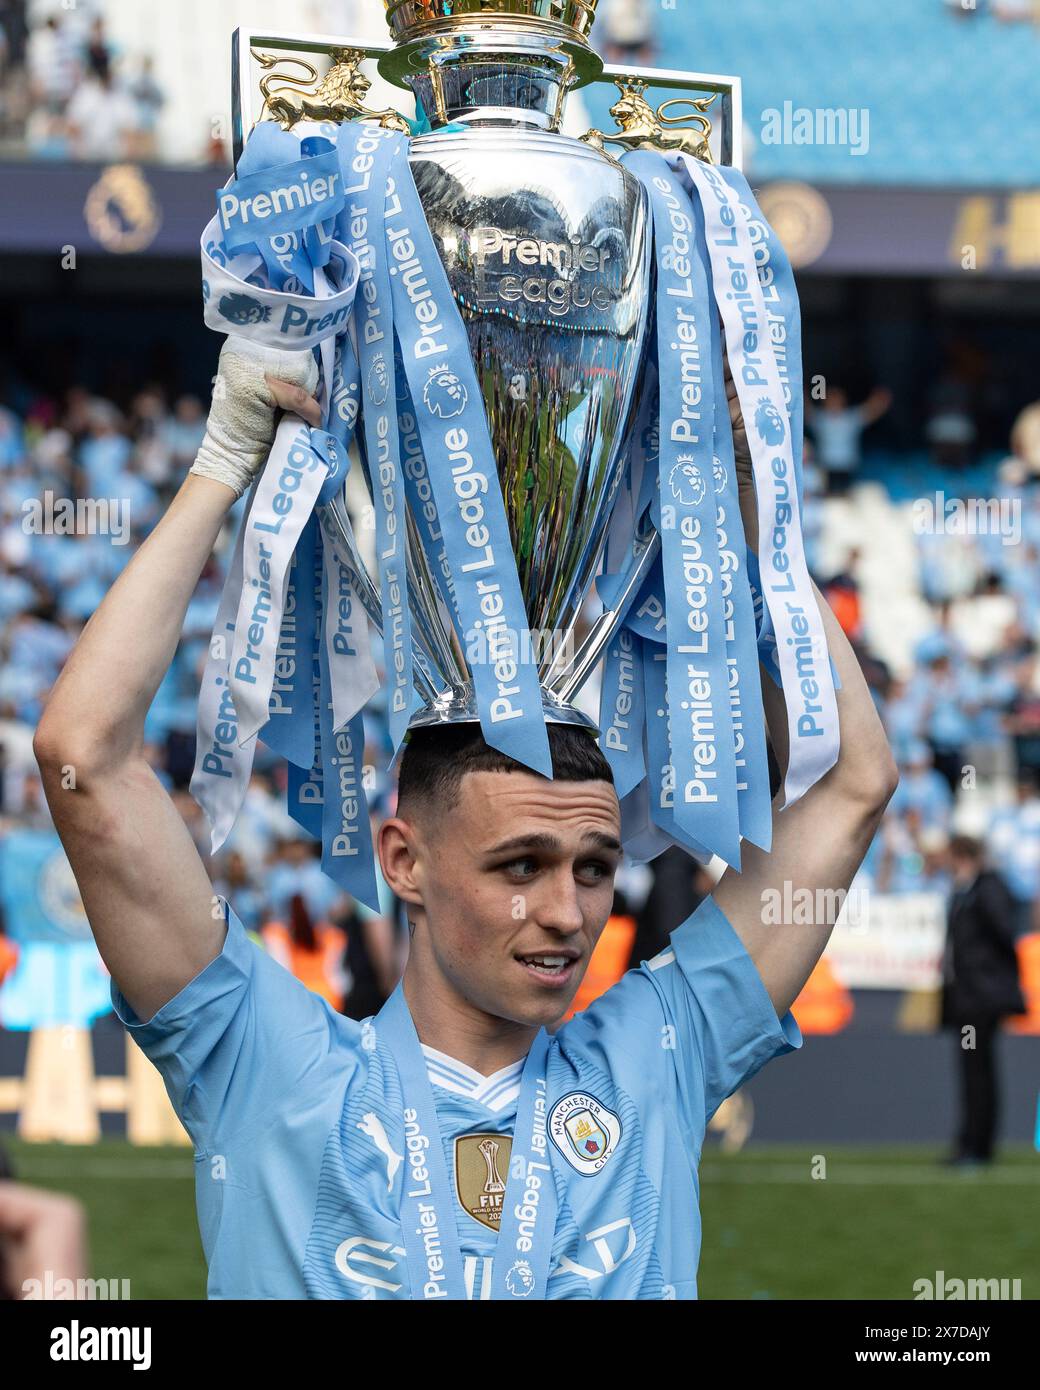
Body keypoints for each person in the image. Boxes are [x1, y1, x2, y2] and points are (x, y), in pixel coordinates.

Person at [34, 340, 898, 1299]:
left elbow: (844, 784)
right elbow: (84, 758)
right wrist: (222, 466)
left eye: (594, 866)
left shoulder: (659, 1055)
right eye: (519, 867)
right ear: (404, 860)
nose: (569, 914)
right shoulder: (265, 1062)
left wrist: (740, 505)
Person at [940, 836, 1027, 1166]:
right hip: (968, 998)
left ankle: (977, 1146)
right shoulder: (967, 891)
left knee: (978, 1072)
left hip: (981, 998)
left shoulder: (986, 887)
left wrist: (984, 969)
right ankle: (972, 1143)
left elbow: (1004, 931)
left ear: (963, 855)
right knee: (974, 1071)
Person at [806, 384, 891, 496]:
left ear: (843, 401)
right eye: (831, 399)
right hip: (826, 468)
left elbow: (871, 410)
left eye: (837, 399)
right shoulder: (821, 418)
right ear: (826, 401)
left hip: (847, 467)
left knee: (847, 500)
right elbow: (805, 410)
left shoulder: (850, 418)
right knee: (827, 500)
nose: (834, 402)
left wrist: (882, 397)